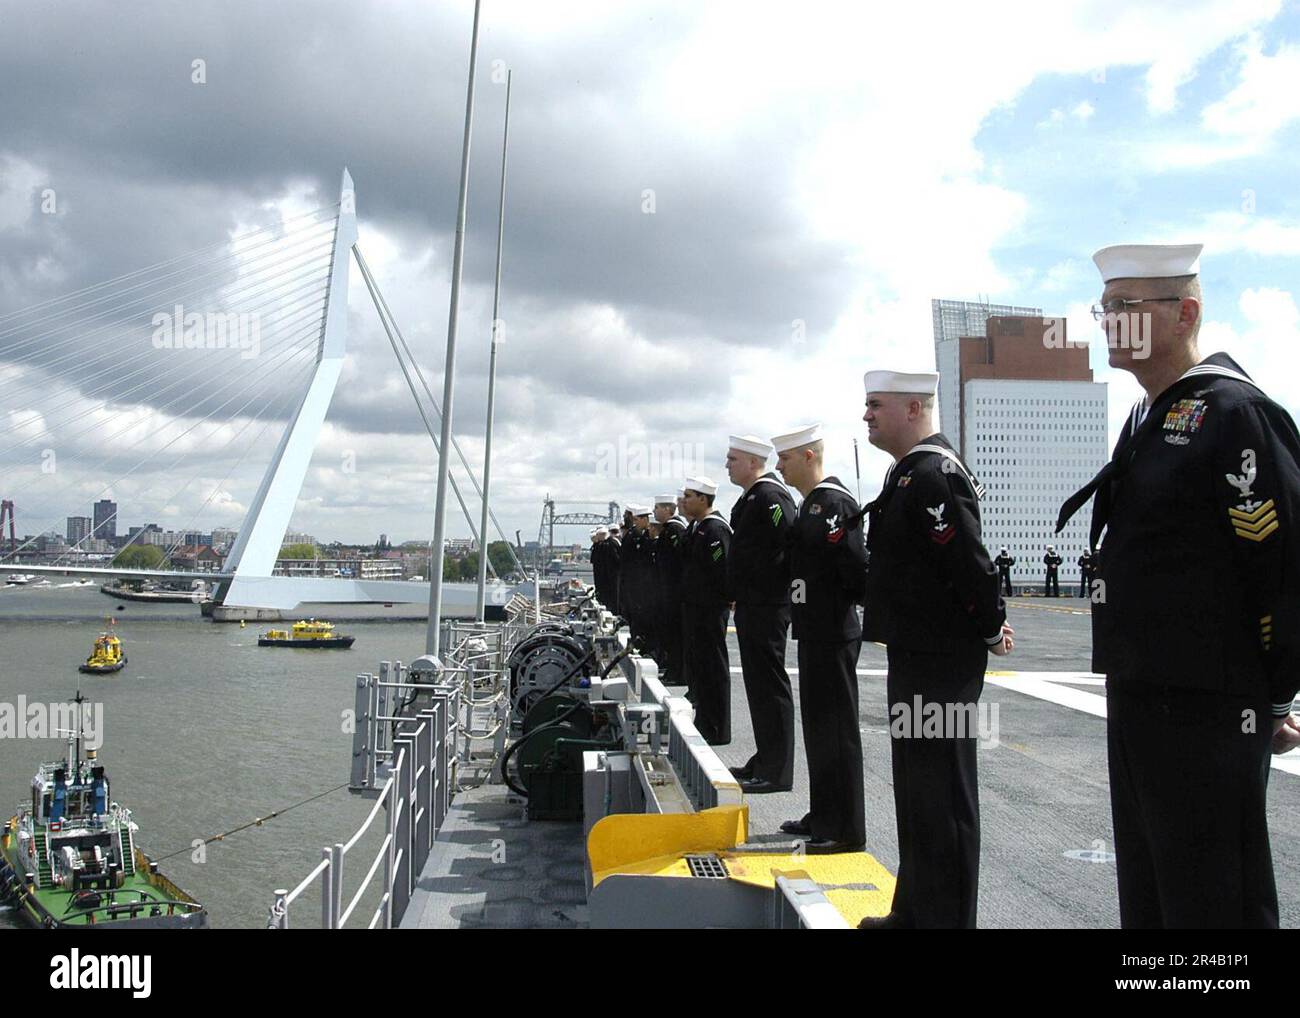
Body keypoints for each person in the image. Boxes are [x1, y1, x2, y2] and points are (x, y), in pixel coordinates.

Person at [1057, 242, 1300, 929]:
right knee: (1154, 895)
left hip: (1209, 704)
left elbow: (1283, 566)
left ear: (1185, 312)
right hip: (1141, 695)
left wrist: (1276, 691)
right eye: (1102, 308)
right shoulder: (1147, 418)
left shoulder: (1234, 414)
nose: (1107, 322)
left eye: (1124, 308)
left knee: (1214, 899)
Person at [859, 370, 1013, 928]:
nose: (867, 415)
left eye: (877, 405)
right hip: (916, 653)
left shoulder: (935, 473)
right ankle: (915, 912)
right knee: (919, 791)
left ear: (915, 407)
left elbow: (969, 563)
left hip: (943, 660)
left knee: (943, 795)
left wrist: (993, 628)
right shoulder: (907, 475)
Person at [773, 424, 867, 854]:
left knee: (837, 732)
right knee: (819, 730)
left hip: (832, 631)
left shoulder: (833, 503)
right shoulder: (812, 504)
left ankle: (844, 828)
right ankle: (823, 813)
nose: (779, 466)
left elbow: (853, 565)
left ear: (809, 457)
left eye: (786, 458)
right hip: (814, 630)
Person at [725, 434, 796, 793]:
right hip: (753, 604)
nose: (727, 465)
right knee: (757, 686)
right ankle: (765, 757)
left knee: (770, 686)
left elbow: (791, 542)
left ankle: (777, 770)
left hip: (768, 606)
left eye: (732, 459)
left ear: (754, 462)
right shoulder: (753, 496)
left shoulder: (771, 496)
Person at [679, 477, 732, 744]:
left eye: (689, 495)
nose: (684, 500)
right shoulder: (698, 528)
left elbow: (721, 571)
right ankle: (704, 719)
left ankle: (716, 727)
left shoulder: (715, 530)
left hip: (710, 609)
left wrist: (722, 600)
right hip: (696, 607)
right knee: (700, 666)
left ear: (703, 498)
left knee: (713, 667)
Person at [652, 495, 687, 685]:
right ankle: (673, 670)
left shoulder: (675, 529)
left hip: (674, 593)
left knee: (675, 636)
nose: (654, 511)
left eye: (657, 507)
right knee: (670, 636)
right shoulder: (668, 530)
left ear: (667, 509)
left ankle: (678, 673)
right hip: (667, 592)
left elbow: (678, 561)